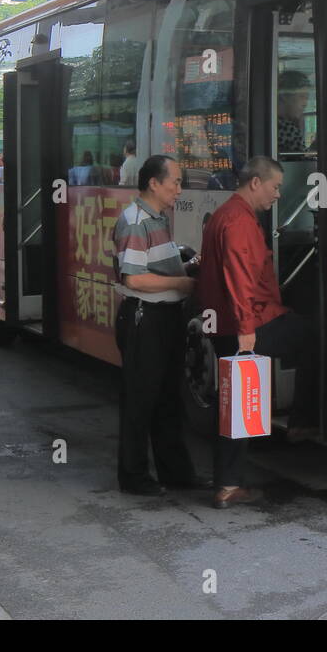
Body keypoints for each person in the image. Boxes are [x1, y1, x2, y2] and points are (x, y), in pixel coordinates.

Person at [198, 156, 319, 509]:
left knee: (235, 403)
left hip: (235, 322)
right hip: (247, 323)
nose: (278, 194)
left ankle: (228, 482)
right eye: (275, 186)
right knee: (313, 337)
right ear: (255, 183)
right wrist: (246, 329)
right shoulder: (238, 221)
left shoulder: (229, 214)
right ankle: (302, 423)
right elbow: (239, 279)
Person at [112, 155, 203, 495]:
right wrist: (181, 284)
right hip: (143, 318)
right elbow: (134, 280)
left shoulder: (157, 218)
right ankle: (133, 478)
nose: (179, 189)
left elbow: (155, 268)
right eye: (175, 182)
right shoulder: (135, 221)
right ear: (153, 183)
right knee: (141, 401)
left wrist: (186, 266)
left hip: (163, 317)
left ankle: (175, 473)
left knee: (168, 399)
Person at [277, 72, 312, 154]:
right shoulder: (288, 130)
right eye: (302, 96)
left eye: (307, 98)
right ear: (284, 96)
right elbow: (305, 160)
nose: (305, 103)